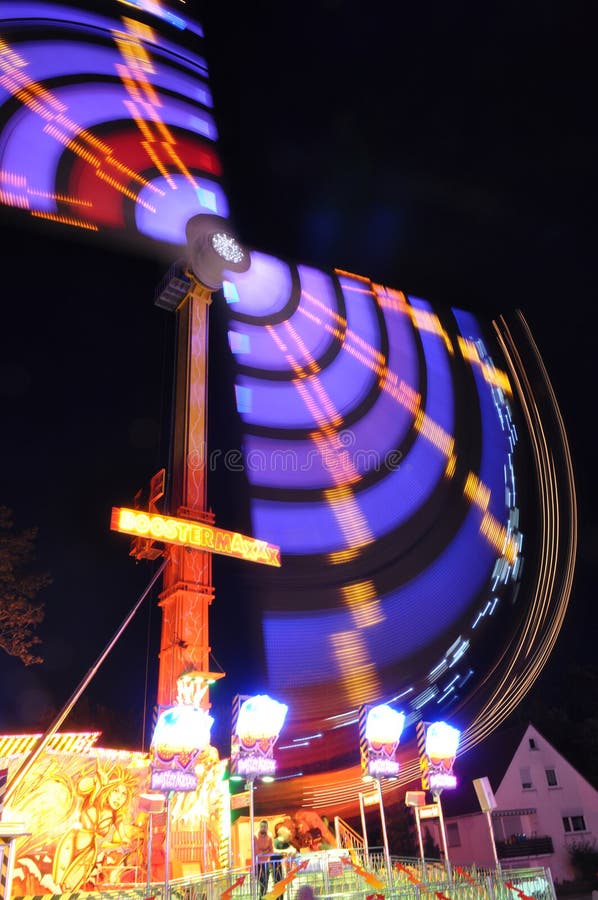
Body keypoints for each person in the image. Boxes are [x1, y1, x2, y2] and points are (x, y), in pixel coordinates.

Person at [254, 819, 274, 897]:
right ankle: (262, 897)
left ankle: (263, 897)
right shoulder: (255, 836)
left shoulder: (269, 836)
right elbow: (256, 852)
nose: (263, 828)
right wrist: (265, 851)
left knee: (265, 883)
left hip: (266, 864)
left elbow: (271, 850)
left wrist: (264, 852)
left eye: (265, 827)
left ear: (267, 827)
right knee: (262, 883)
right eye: (262, 826)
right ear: (259, 827)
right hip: (257, 864)